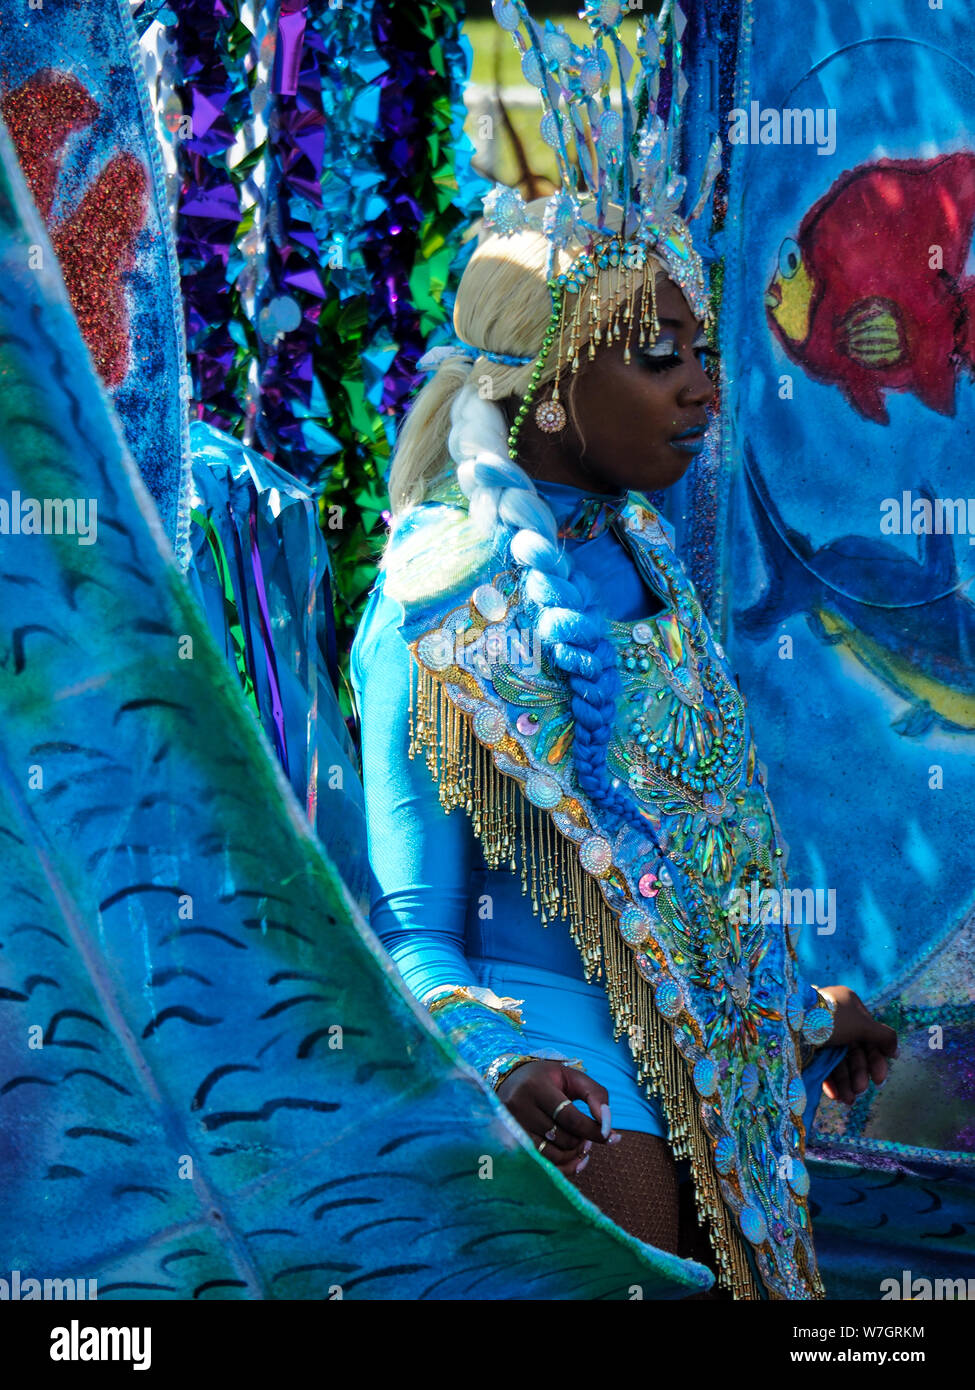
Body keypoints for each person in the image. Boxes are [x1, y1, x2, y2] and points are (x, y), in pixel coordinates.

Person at [351, 4, 897, 1301]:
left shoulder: (650, 559)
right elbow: (411, 931)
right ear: (546, 390)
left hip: (729, 1134)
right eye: (660, 358)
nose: (704, 387)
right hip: (575, 1127)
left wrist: (801, 1015)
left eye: (703, 352)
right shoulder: (436, 606)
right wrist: (500, 1068)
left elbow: (681, 880)